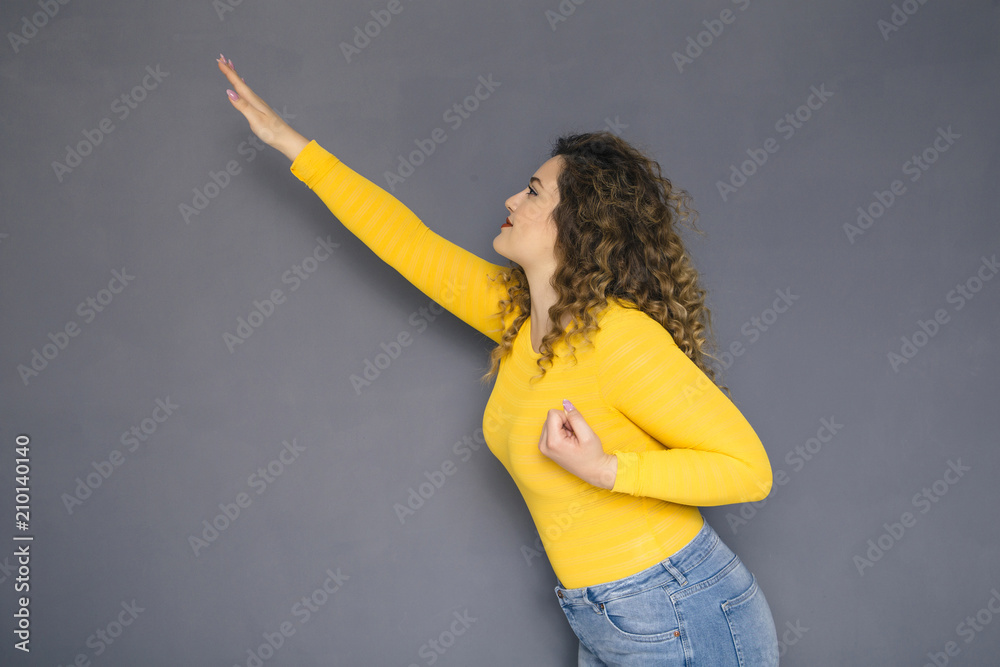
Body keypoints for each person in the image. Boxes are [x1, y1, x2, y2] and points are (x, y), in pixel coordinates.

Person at [216, 53, 780, 666]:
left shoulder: (620, 339)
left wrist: (607, 470)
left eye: (534, 191)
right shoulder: (520, 316)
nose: (512, 197)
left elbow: (749, 470)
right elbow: (407, 242)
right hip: (610, 615)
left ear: (576, 226)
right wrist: (289, 142)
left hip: (678, 610)